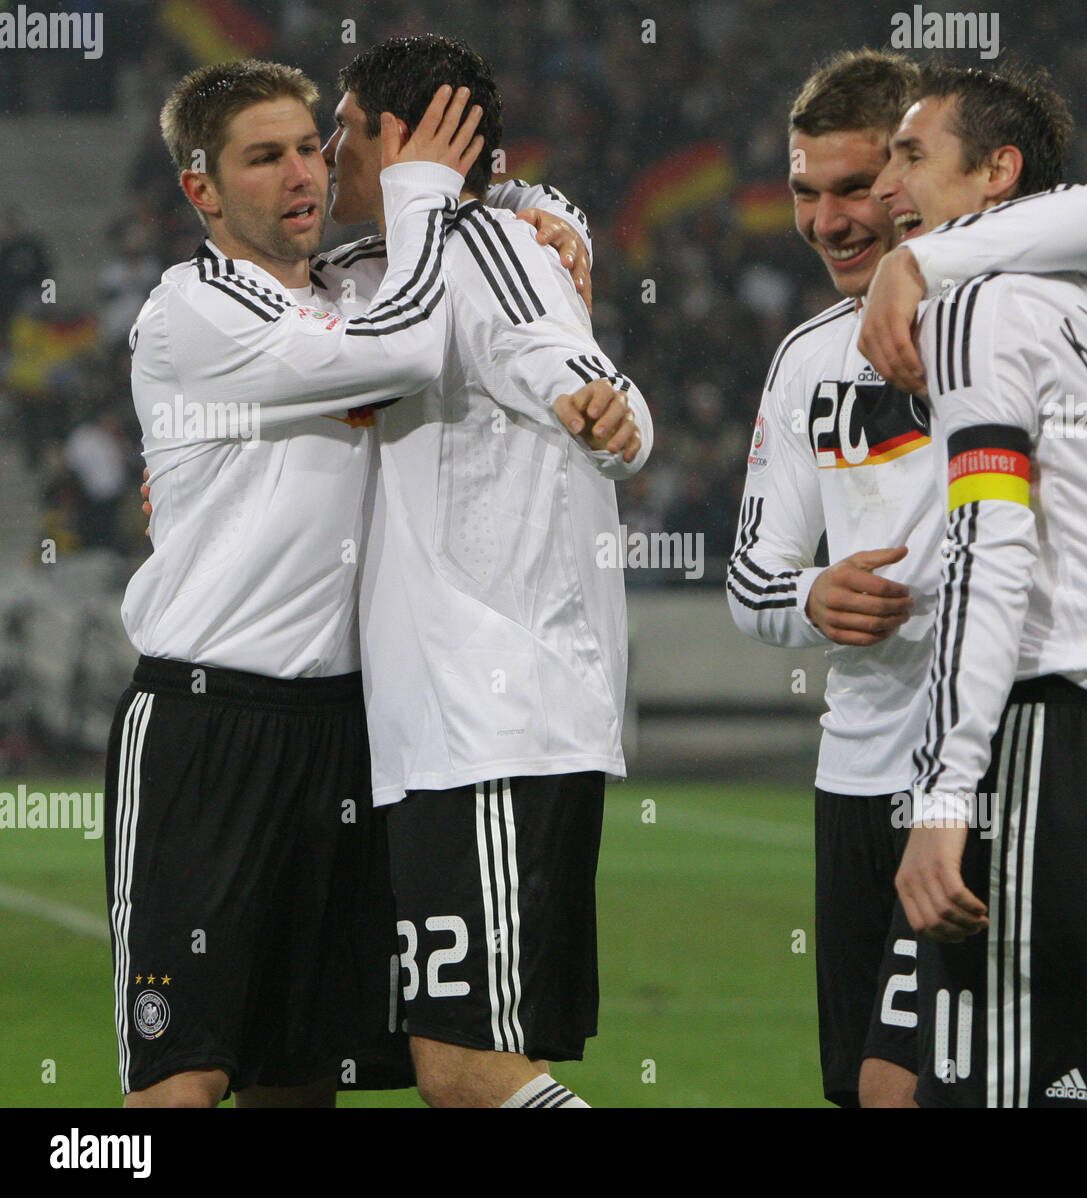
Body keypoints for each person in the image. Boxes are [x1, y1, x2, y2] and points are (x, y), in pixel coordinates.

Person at [108, 57, 594, 1108]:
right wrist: (470, 205)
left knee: (304, 1075)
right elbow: (414, 346)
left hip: (347, 732)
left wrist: (544, 211)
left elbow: (471, 240)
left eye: (309, 149)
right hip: (207, 725)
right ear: (201, 189)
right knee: (179, 1080)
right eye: (262, 157)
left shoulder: (357, 281)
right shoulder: (193, 316)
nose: (302, 175)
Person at [724, 47, 1087, 1108]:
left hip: (989, 754)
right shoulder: (806, 359)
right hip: (855, 771)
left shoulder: (1014, 307)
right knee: (872, 1088)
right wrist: (807, 601)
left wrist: (925, 267)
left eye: (863, 185)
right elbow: (749, 578)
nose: (829, 222)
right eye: (803, 194)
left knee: (920, 1085)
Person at [313, 34, 652, 1109]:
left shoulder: (492, 249)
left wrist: (605, 413)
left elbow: (576, 368)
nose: (325, 154)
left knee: (467, 1073)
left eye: (343, 127)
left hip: (494, 714)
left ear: (402, 138)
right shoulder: (385, 266)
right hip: (433, 731)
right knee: (449, 1070)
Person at [872, 61, 1087, 1108]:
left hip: (1044, 745)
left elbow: (990, 549)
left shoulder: (981, 308)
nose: (887, 189)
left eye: (912, 158)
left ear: (997, 172)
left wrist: (942, 795)